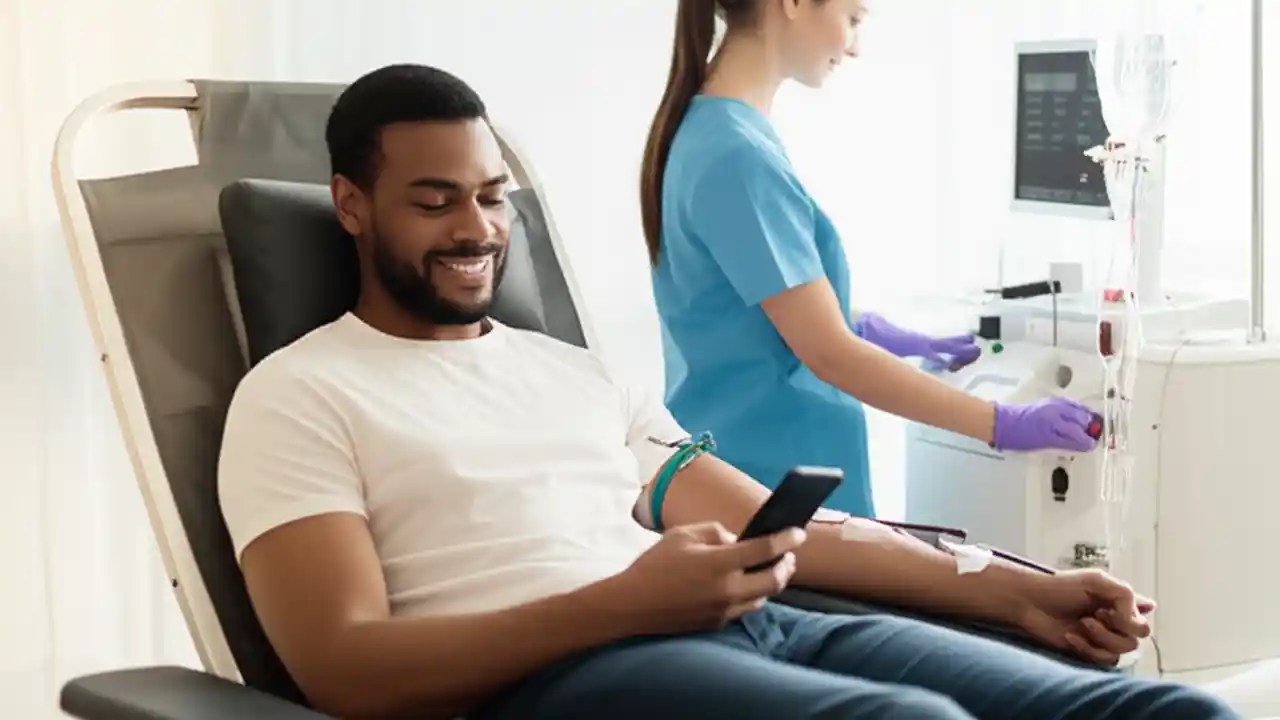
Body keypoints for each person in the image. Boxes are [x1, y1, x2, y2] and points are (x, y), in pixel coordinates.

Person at [217, 63, 1237, 720]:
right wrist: (617, 607)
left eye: (490, 196)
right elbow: (342, 666)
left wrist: (1021, 592)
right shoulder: (298, 397)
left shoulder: (570, 372)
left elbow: (775, 528)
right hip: (555, 679)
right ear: (351, 206)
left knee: (1167, 711)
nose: (476, 228)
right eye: (434, 202)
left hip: (743, 624)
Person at [640, 0, 1100, 516]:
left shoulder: (709, 128)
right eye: (853, 19)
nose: (855, 47)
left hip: (751, 481)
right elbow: (830, 355)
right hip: (767, 493)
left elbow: (753, 309)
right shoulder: (736, 153)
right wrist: (1001, 423)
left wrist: (872, 330)